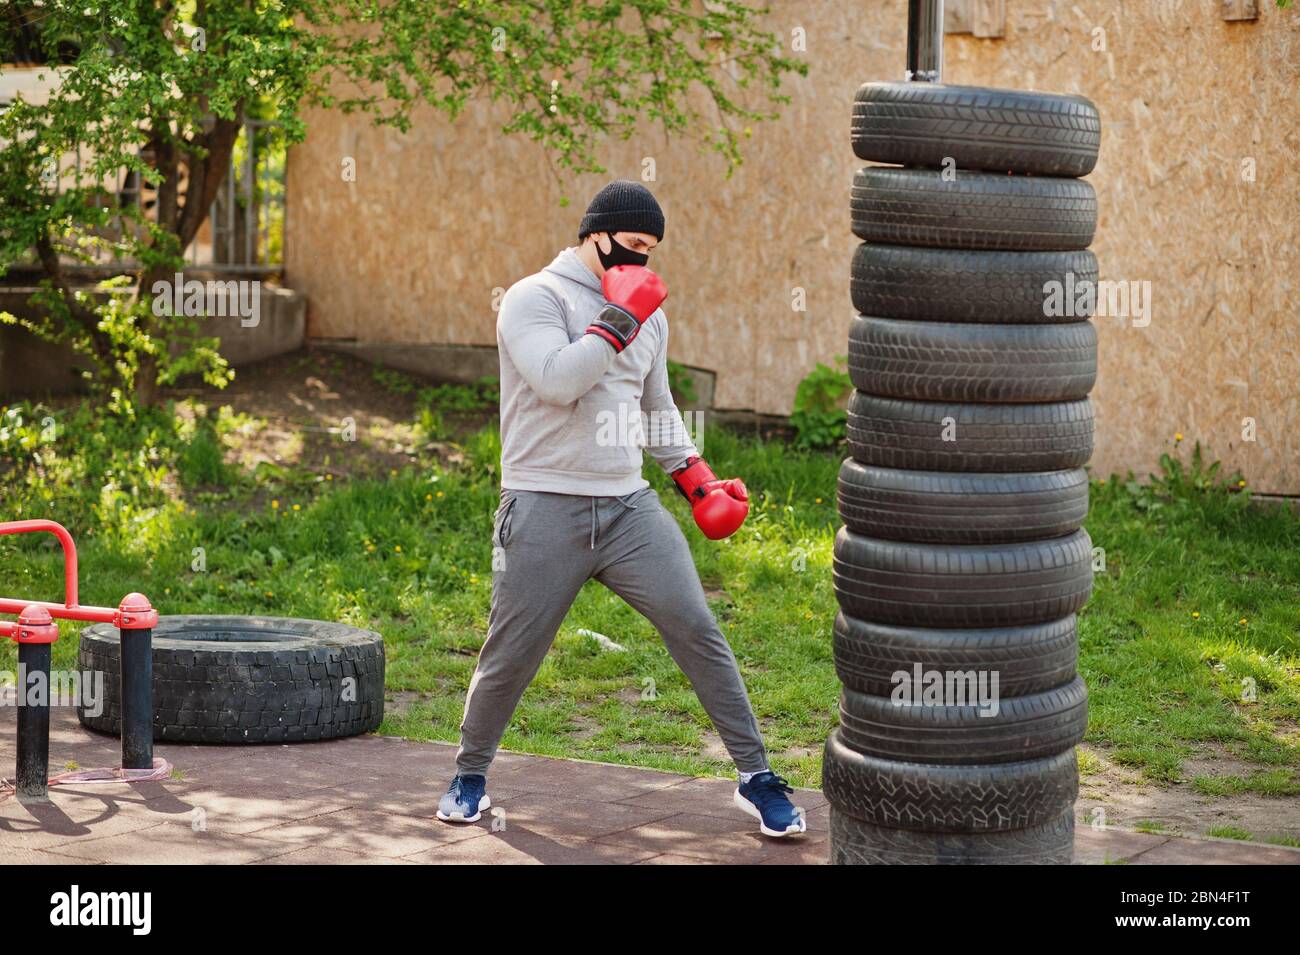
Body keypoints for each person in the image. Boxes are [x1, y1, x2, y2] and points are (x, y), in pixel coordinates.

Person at [435, 180, 805, 838]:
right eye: (632, 246)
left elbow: (656, 411)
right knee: (511, 652)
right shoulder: (533, 298)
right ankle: (469, 773)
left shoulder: (648, 311)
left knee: (698, 627)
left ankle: (757, 776)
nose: (641, 262)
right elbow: (556, 381)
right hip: (545, 500)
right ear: (596, 235)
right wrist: (618, 318)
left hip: (627, 507)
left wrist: (700, 485)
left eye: (651, 252)